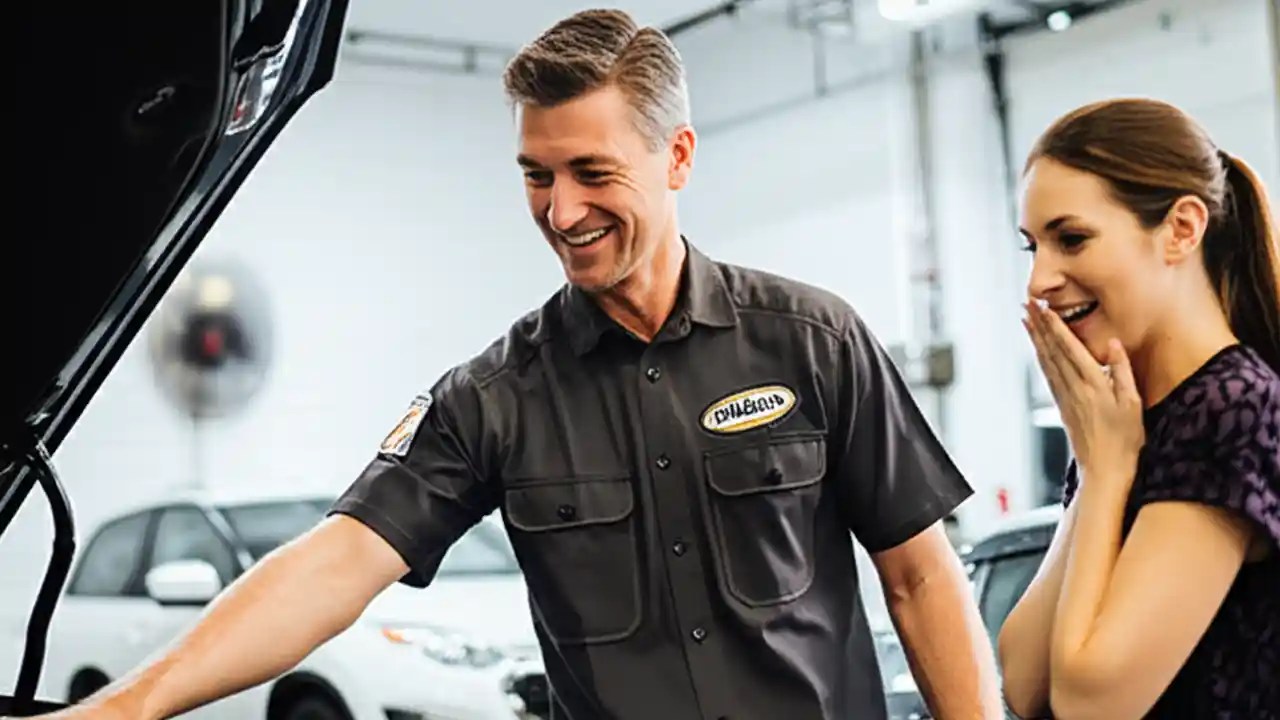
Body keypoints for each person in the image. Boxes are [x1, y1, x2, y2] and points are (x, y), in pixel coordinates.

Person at [37, 9, 1004, 720]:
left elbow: (921, 581)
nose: (561, 211)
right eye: (537, 176)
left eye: (593, 172)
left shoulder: (814, 342)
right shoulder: (495, 398)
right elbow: (335, 564)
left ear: (676, 157)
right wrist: (122, 708)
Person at [997, 97, 1280, 720]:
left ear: (1182, 229)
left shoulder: (1230, 407)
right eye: (1033, 247)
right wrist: (1098, 464)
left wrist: (1104, 475)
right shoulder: (1121, 423)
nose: (1039, 280)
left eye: (1072, 239)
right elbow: (1023, 679)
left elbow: (1091, 704)